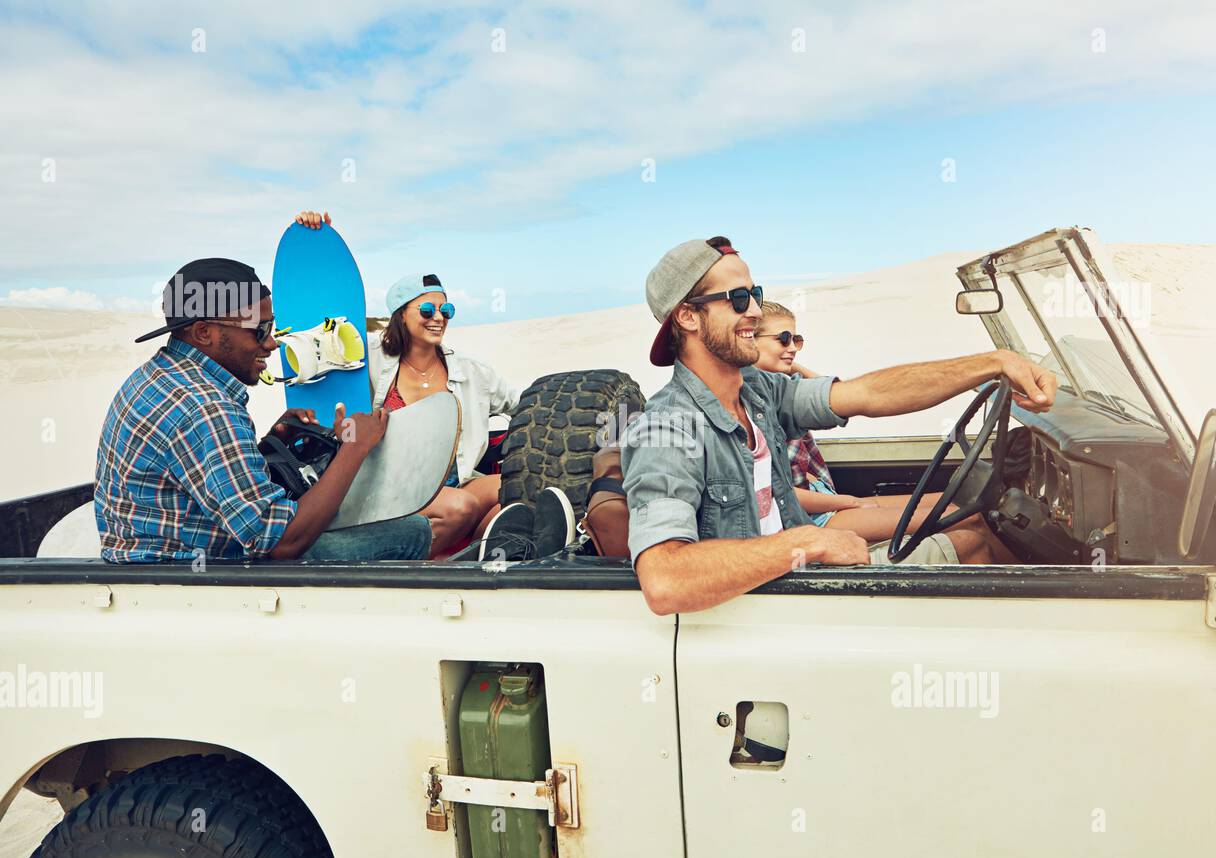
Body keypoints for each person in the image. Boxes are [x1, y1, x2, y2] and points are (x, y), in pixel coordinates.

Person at [622, 236, 1057, 615]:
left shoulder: (757, 392)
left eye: (754, 293)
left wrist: (990, 364)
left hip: (800, 578)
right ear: (688, 317)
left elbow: (868, 394)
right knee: (974, 546)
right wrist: (807, 544)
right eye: (737, 299)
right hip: (765, 603)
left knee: (974, 533)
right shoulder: (667, 429)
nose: (754, 310)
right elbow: (665, 580)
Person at [96, 256, 433, 563]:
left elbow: (205, 475)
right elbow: (280, 542)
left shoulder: (160, 376)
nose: (271, 343)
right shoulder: (207, 409)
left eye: (271, 328)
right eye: (260, 330)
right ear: (204, 332)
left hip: (147, 555)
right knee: (413, 531)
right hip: (197, 574)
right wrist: (355, 447)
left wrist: (268, 442)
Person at [294, 211, 574, 560]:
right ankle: (423, 564)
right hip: (393, 487)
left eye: (447, 310)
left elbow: (527, 407)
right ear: (401, 315)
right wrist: (316, 241)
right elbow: (328, 333)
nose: (438, 317)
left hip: (459, 479)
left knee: (516, 488)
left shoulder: (472, 372)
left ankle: (479, 553)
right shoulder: (370, 362)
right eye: (427, 309)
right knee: (459, 507)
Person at [752, 300, 1016, 559]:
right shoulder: (747, 407)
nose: (792, 348)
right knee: (968, 520)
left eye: (797, 340)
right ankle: (1036, 588)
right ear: (750, 338)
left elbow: (830, 393)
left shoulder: (779, 392)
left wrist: (790, 365)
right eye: (783, 339)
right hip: (811, 518)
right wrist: (850, 501)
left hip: (821, 500)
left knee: (962, 504)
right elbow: (779, 495)